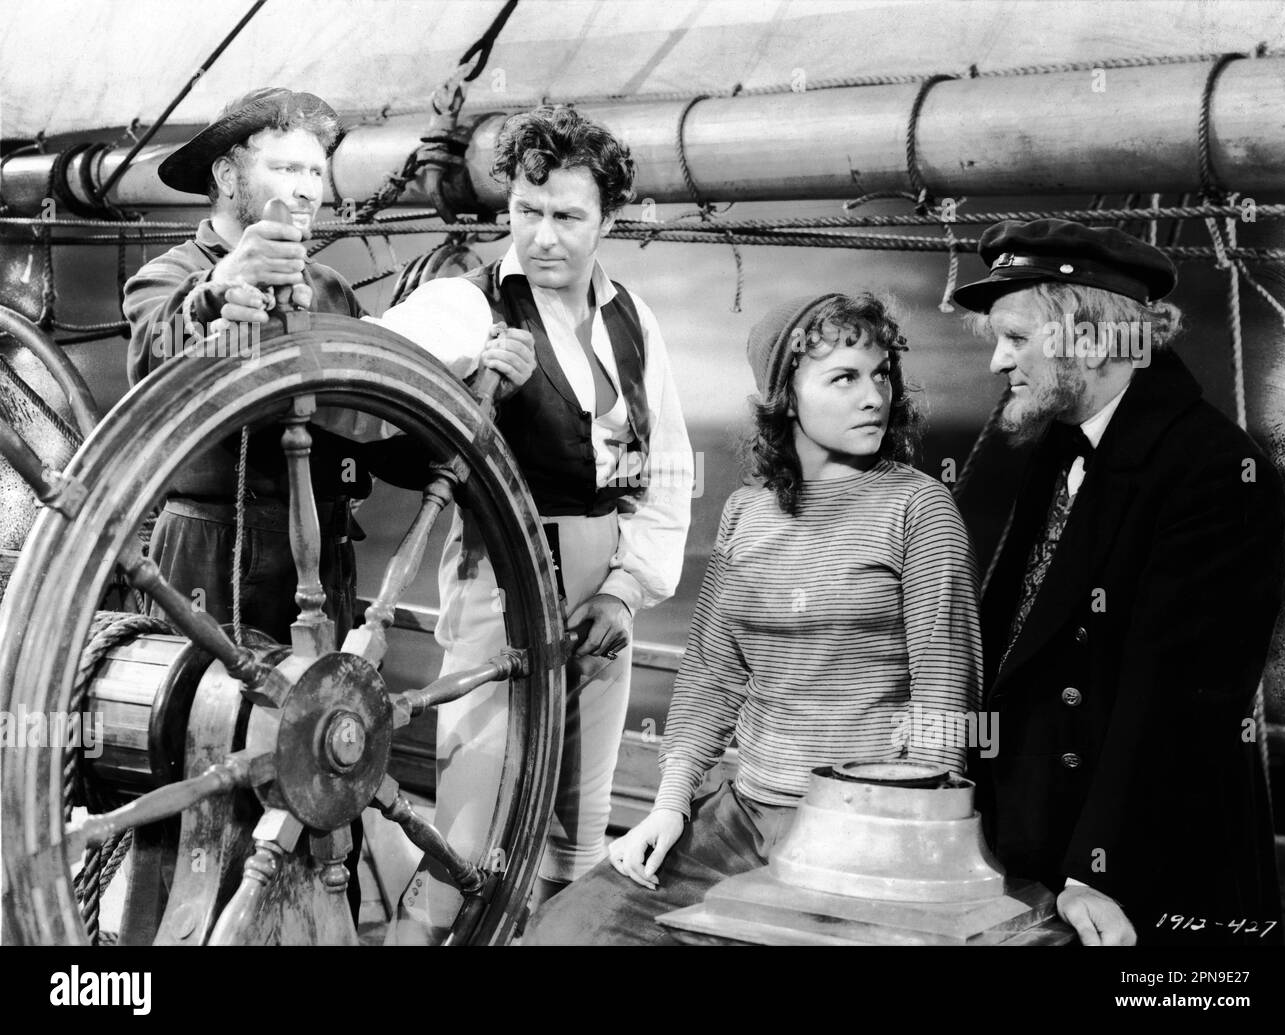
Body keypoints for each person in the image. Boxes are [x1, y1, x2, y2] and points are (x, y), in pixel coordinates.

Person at [522, 290, 983, 945]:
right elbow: (713, 671)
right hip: (741, 819)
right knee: (562, 934)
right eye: (846, 377)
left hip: (869, 830)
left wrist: (913, 850)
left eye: (883, 374)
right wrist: (670, 805)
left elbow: (944, 693)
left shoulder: (919, 509)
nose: (875, 396)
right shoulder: (746, 511)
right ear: (786, 397)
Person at [369, 105, 693, 942]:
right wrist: (471, 378)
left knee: (581, 821)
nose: (543, 237)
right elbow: (368, 371)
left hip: (600, 580)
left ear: (609, 219)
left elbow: (666, 472)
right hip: (499, 572)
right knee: (473, 816)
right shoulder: (467, 306)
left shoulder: (632, 319)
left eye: (567, 217)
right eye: (526, 211)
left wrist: (624, 595)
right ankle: (435, 933)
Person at [953, 218, 1285, 946]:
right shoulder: (1060, 441)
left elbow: (1182, 694)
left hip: (1133, 865)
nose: (996, 362)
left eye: (1016, 338)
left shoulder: (1216, 470)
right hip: (1032, 838)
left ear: (1095, 340)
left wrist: (1100, 867)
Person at [122, 86, 532, 643]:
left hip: (324, 558)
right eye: (287, 167)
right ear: (225, 177)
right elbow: (155, 364)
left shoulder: (331, 291)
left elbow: (383, 442)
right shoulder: (166, 278)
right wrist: (219, 287)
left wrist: (480, 391)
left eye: (316, 173)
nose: (306, 190)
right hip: (211, 553)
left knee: (319, 720)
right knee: (194, 719)